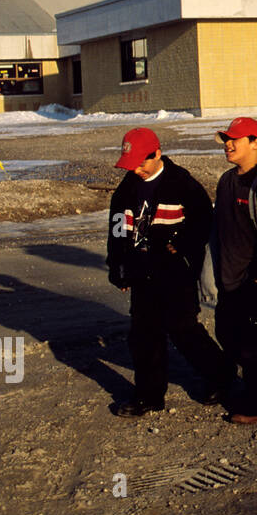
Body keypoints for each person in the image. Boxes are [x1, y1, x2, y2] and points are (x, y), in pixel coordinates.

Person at [106, 127, 231, 417]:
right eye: (131, 164)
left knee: (183, 328)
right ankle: (149, 395)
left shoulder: (181, 182)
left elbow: (203, 221)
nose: (136, 170)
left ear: (157, 154)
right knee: (143, 334)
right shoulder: (126, 187)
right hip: (140, 271)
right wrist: (118, 268)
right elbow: (116, 231)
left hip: (176, 271)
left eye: (141, 163)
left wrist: (182, 246)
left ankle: (221, 375)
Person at [210, 116, 257, 423]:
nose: (228, 144)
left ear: (256, 143)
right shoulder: (227, 181)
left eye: (235, 139)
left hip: (256, 281)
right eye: (226, 139)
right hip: (229, 279)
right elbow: (218, 229)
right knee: (229, 335)